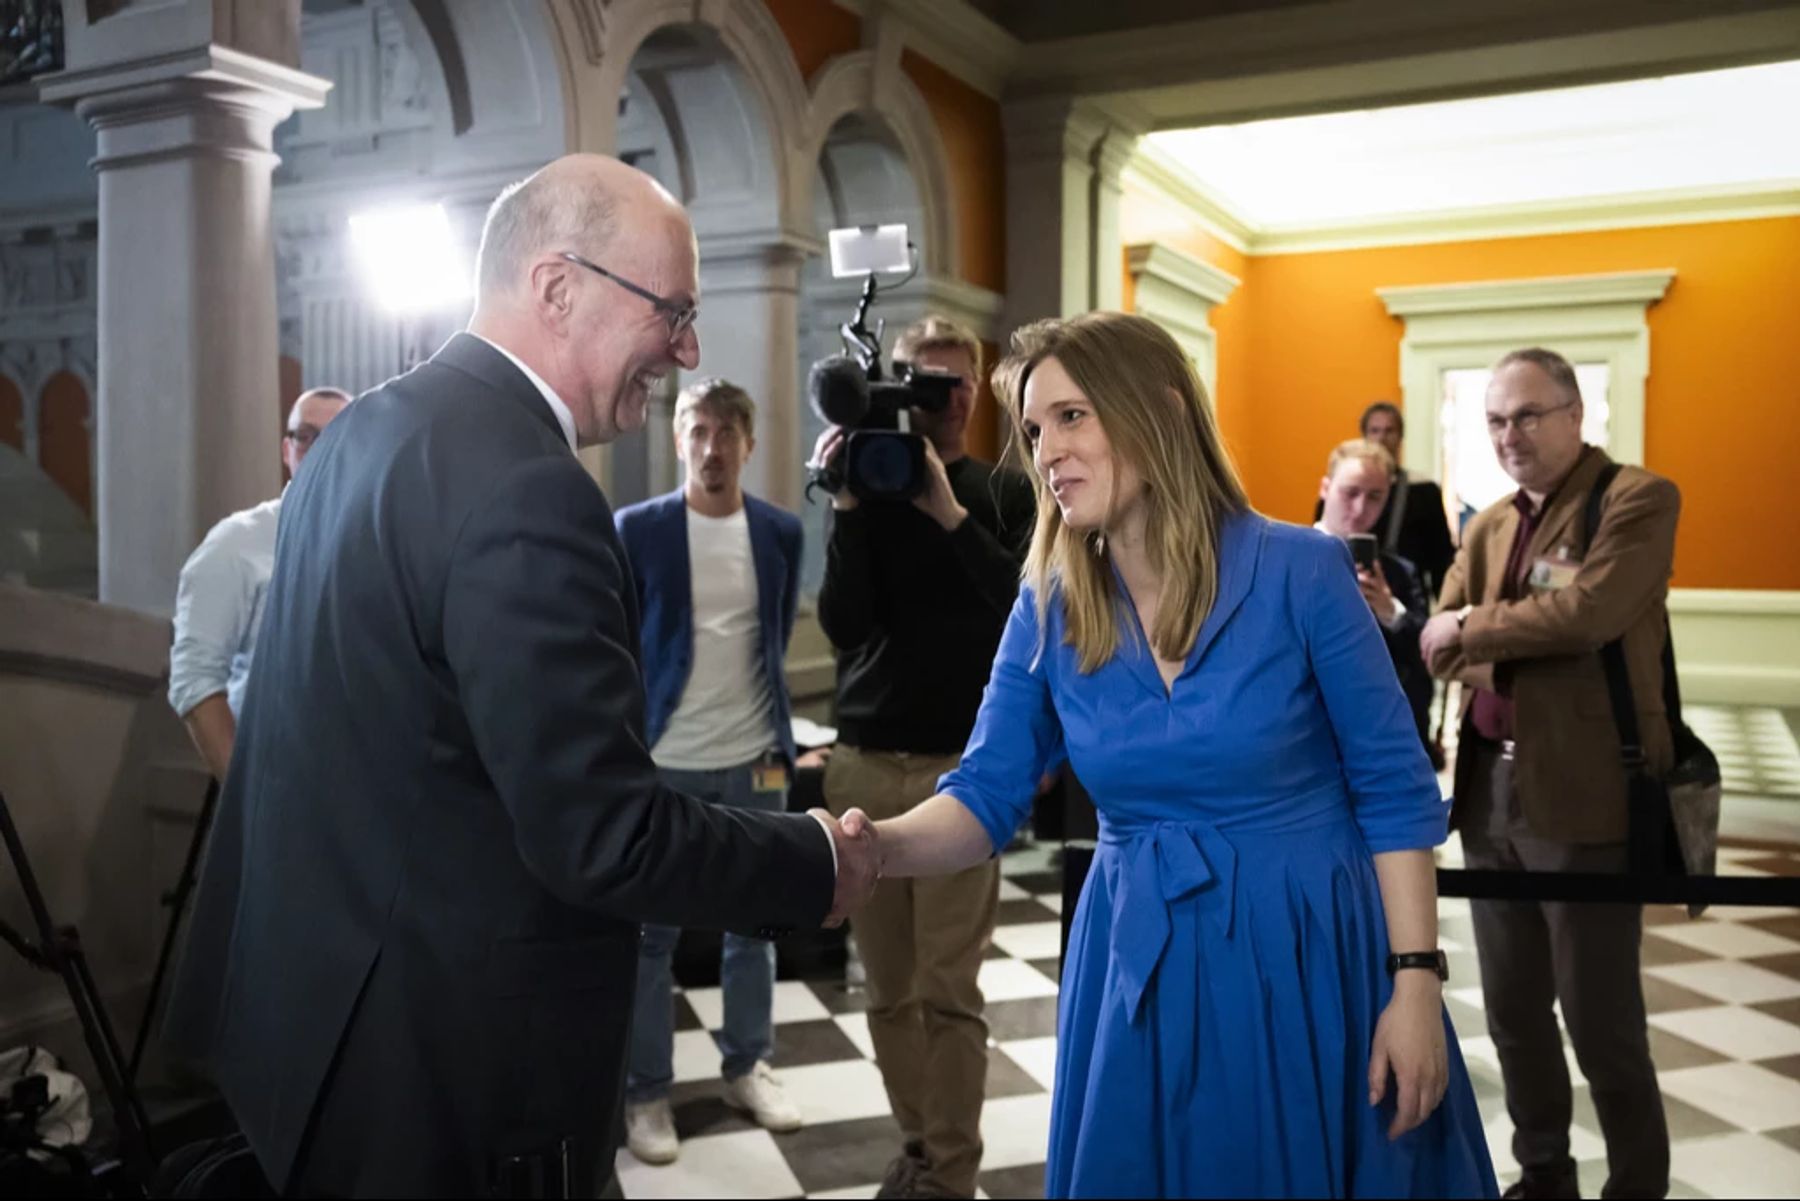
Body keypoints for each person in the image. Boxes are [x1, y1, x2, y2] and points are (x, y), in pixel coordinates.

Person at [162, 155, 880, 1198]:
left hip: (313, 1034)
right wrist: (814, 862)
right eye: (674, 311)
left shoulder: (361, 430)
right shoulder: (529, 488)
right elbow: (603, 831)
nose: (687, 349)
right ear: (556, 287)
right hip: (444, 1071)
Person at [853, 312, 1497, 1199]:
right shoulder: (1049, 602)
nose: (1047, 452)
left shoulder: (1302, 571)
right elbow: (986, 793)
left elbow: (1393, 790)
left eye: (1072, 416)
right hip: (1141, 965)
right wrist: (874, 846)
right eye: (1035, 430)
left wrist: (1415, 982)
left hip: (1307, 949)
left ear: (1159, 411)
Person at [1421, 347, 1678, 1200]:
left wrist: (1475, 631)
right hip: (1488, 794)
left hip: (1586, 792)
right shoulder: (1490, 522)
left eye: (1528, 415)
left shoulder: (1637, 499)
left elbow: (1588, 612)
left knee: (1602, 1020)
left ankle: (1637, 1184)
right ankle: (1544, 1175)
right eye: (1497, 419)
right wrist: (1498, 638)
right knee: (1513, 1010)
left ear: (1576, 413)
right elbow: (1437, 638)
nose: (1510, 434)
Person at [811, 314, 1035, 1199]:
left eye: (952, 382)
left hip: (959, 771)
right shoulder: (866, 486)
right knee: (888, 990)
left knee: (949, 988)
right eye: (917, 380)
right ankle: (920, 1149)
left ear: (976, 390)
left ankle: (950, 1172)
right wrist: (847, 508)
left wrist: (948, 514)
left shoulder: (1003, 493)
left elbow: (1021, 608)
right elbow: (843, 625)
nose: (936, 399)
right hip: (863, 760)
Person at [614, 378, 806, 1162]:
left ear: (748, 444)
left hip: (755, 759)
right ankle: (645, 1092)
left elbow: (775, 637)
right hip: (664, 762)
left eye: (727, 432)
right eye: (698, 430)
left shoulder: (780, 532)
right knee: (648, 938)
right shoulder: (638, 529)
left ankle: (747, 1065)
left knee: (755, 928)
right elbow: (621, 641)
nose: (711, 446)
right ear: (678, 438)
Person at [167, 386, 350, 779]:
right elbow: (195, 680)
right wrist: (244, 795)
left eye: (338, 436)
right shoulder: (238, 543)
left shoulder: (382, 544)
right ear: (287, 450)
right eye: (306, 436)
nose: (320, 449)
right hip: (278, 779)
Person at [1316, 438, 1435, 749]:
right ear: (1325, 488)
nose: (1360, 509)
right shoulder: (1286, 560)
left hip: (1379, 735)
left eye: (1375, 497)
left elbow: (1427, 653)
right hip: (1308, 733)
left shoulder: (1399, 573)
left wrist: (1391, 611)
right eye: (1350, 492)